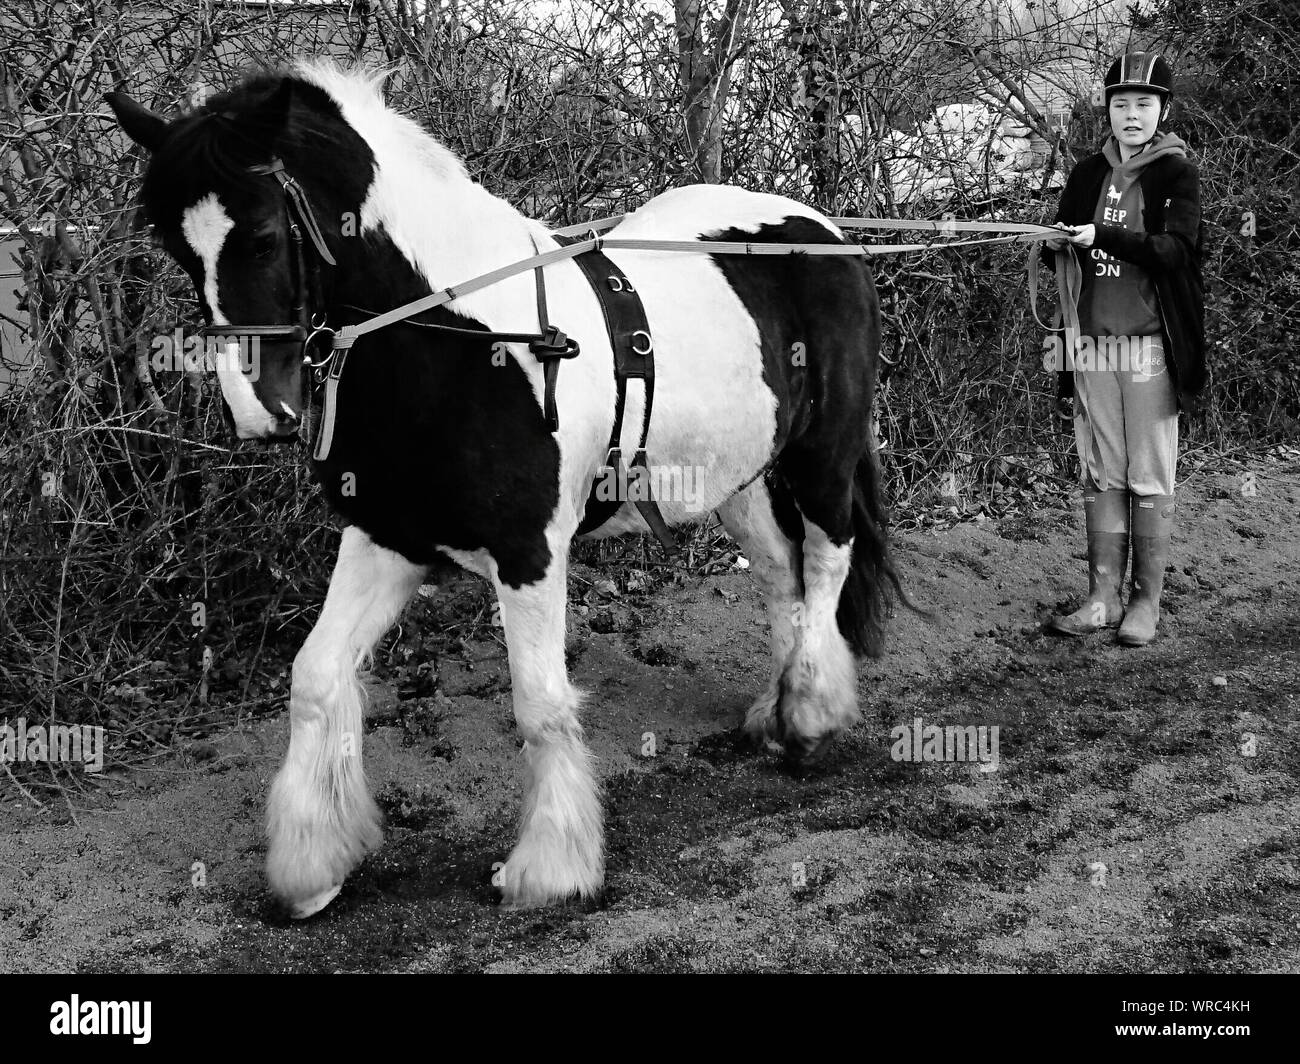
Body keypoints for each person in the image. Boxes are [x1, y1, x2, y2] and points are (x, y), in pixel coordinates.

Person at [1042, 50, 1206, 647]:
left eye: (1143, 103)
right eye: (1120, 103)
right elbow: (1064, 241)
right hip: (1090, 348)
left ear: (1161, 110)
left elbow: (1174, 251)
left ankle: (1146, 603)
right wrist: (1056, 243)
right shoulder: (1086, 173)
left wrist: (1103, 236)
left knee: (1149, 472)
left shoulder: (1176, 172)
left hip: (1149, 348)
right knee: (1102, 470)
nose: (1131, 114)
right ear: (1106, 109)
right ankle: (1101, 597)